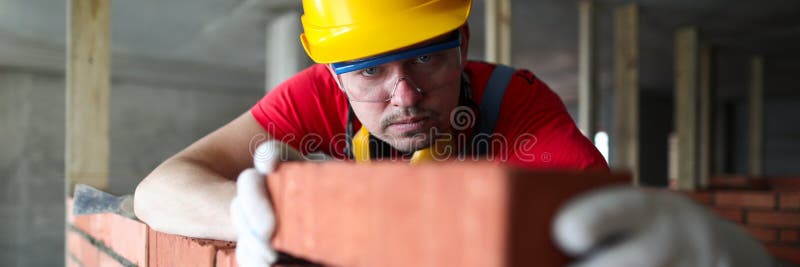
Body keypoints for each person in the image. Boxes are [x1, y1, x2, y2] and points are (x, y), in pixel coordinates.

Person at [134, 0, 775, 266]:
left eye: (427, 58)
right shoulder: (314, 101)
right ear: (331, 73)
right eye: (371, 72)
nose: (405, 94)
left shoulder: (513, 103)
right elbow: (157, 191)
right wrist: (260, 214)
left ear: (463, 42)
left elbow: (591, 228)